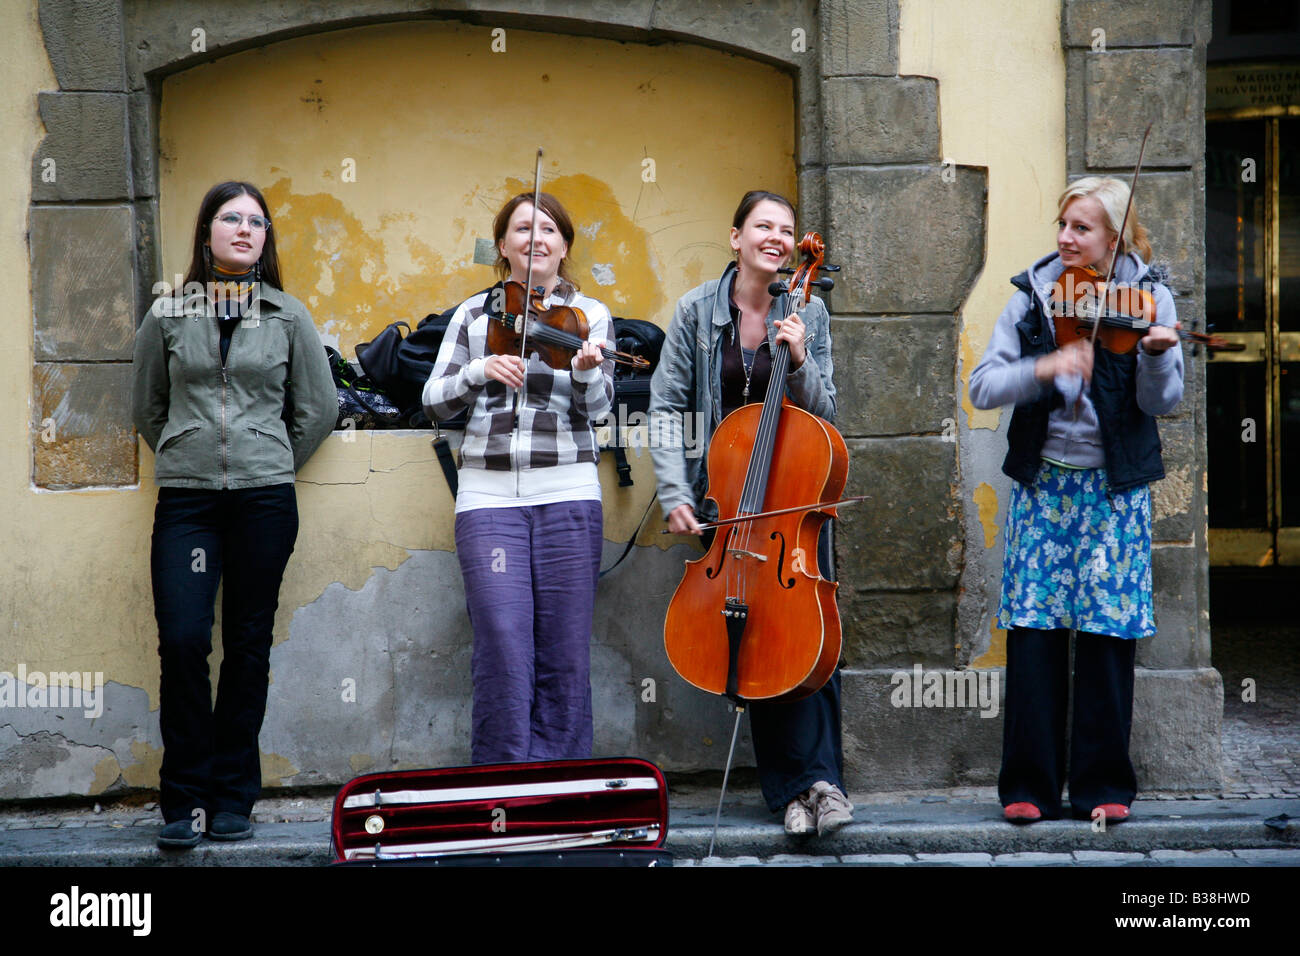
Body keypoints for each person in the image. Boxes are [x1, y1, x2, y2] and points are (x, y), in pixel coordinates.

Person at [969, 176, 1184, 824]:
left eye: (1081, 228)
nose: (1065, 237)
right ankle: (1028, 786)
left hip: (1114, 493)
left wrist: (1153, 357)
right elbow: (983, 386)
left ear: (1114, 238)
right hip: (1046, 486)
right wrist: (1046, 367)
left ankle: (1101, 785)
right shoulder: (1033, 298)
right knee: (1034, 632)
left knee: (1107, 633)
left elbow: (1163, 403)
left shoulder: (1149, 298)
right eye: (1063, 224)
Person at [132, 181, 337, 848]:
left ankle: (232, 797)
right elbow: (148, 407)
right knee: (186, 640)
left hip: (264, 499)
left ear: (264, 239)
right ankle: (182, 800)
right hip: (188, 501)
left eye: (256, 221)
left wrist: (269, 454)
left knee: (247, 645)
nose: (245, 229)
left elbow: (318, 410)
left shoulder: (287, 315)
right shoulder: (169, 312)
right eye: (231, 217)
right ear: (207, 232)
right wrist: (186, 449)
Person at [648, 190, 853, 836]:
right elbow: (665, 409)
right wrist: (676, 493)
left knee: (810, 637)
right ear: (735, 237)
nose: (777, 236)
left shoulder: (808, 312)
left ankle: (822, 783)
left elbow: (826, 414)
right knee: (754, 635)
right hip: (733, 503)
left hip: (794, 497)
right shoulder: (695, 312)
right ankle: (790, 792)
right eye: (763, 225)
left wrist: (797, 359)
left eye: (787, 229)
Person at [423, 191, 613, 765]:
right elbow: (433, 402)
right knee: (502, 642)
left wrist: (583, 373)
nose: (537, 239)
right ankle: (501, 789)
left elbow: (601, 411)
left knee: (565, 648)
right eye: (523, 229)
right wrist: (479, 370)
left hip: (569, 493)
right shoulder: (473, 314)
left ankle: (559, 788)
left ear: (565, 246)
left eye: (550, 230)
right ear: (502, 245)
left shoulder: (590, 317)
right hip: (487, 499)